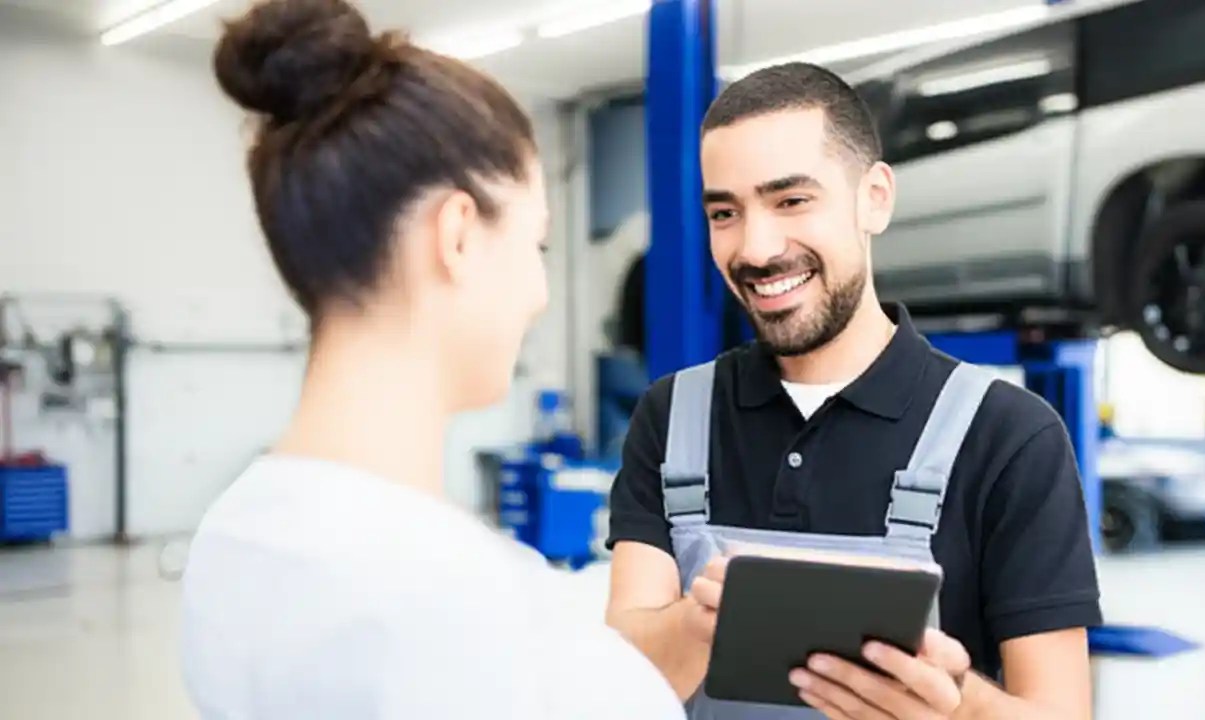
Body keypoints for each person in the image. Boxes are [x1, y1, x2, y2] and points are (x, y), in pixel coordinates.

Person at [179, 1, 685, 718]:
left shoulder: (233, 534)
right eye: (536, 245)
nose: (539, 293)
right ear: (458, 236)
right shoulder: (454, 602)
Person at [606, 63, 1102, 719]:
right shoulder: (672, 417)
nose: (756, 248)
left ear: (875, 198)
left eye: (791, 201)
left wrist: (956, 705)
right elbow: (617, 677)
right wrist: (705, 619)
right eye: (725, 212)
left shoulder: (1009, 435)